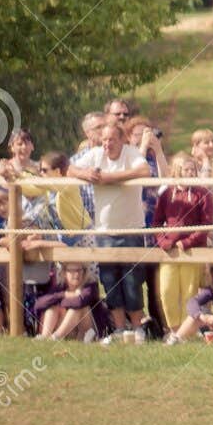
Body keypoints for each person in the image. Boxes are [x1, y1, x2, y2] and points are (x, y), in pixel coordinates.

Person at [68, 116, 150, 342]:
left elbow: (144, 171)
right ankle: (119, 329)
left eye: (112, 139)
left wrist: (109, 178)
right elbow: (70, 169)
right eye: (104, 139)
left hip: (131, 229)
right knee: (109, 280)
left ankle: (138, 329)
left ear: (122, 139)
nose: (107, 144)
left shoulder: (131, 154)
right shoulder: (95, 154)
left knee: (132, 280)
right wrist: (87, 175)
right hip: (104, 231)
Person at [152, 153, 213, 334]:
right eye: (186, 169)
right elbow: (156, 223)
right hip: (169, 251)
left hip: (191, 251)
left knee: (189, 291)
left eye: (192, 169)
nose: (190, 172)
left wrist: (187, 242)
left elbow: (206, 225)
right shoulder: (166, 194)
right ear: (177, 171)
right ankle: (174, 329)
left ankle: (186, 332)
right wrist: (164, 242)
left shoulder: (202, 194)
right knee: (167, 291)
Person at [35, 263, 99, 342]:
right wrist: (64, 294)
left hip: (86, 331)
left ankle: (55, 337)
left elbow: (78, 302)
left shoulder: (89, 287)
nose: (76, 274)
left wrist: (58, 300)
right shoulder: (60, 287)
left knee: (76, 309)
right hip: (68, 330)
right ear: (64, 273)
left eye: (79, 270)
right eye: (71, 271)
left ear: (84, 272)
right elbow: (39, 304)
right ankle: (44, 337)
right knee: (52, 308)